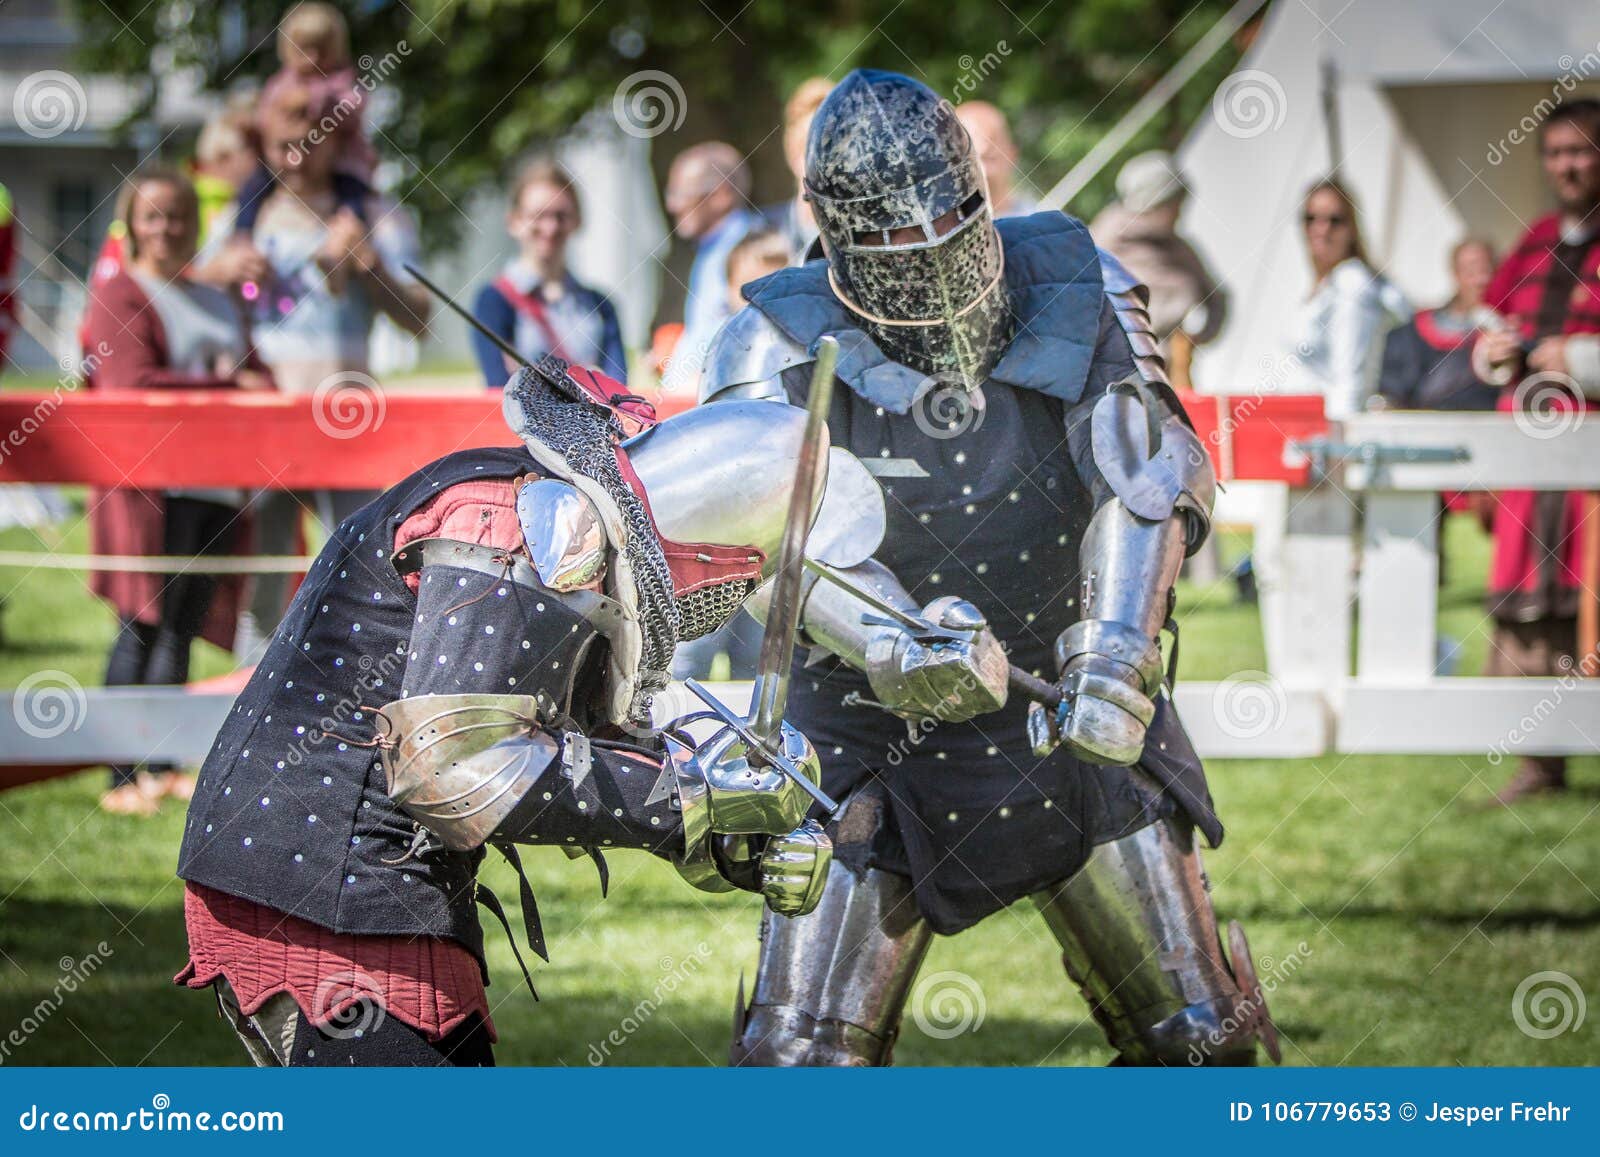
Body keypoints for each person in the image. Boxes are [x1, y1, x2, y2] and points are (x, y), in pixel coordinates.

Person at [704, 70, 1275, 1067]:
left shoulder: (1075, 284)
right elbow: (757, 534)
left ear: (977, 191)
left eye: (946, 220)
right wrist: (888, 636)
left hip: (1068, 696)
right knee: (802, 1061)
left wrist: (1119, 648)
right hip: (865, 726)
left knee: (1197, 1045)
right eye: (886, 238)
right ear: (831, 227)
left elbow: (1148, 469)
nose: (922, 259)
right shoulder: (768, 344)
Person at [173, 355, 897, 1065]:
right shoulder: (533, 515)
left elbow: (570, 739)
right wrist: (693, 794)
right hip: (323, 877)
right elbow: (452, 767)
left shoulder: (567, 520)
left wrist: (743, 834)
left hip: (379, 878)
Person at [200, 82, 430, 647]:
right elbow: (184, 293)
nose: (295, 158)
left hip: (349, 415)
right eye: (282, 146)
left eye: (310, 142)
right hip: (270, 417)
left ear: (336, 143)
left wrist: (371, 268)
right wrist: (219, 272)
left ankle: (358, 663)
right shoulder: (240, 219)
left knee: (360, 554)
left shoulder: (373, 215)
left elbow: (419, 317)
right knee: (267, 560)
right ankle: (253, 675)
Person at [79, 168, 274, 816]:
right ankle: (119, 773)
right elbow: (130, 384)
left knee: (183, 622)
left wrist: (240, 387)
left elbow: (258, 374)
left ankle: (161, 762)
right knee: (140, 621)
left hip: (214, 486)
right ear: (132, 223)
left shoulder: (219, 297)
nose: (166, 229)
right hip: (149, 487)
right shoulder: (120, 294)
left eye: (178, 216)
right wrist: (224, 389)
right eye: (152, 216)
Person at [1473, 98, 1600, 803]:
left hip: (1593, 461)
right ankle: (1540, 761)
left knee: (1591, 600)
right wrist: (1496, 351)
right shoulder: (1536, 241)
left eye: (1581, 151)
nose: (1567, 166)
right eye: (1555, 153)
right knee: (1531, 604)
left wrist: (1577, 357)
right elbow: (1490, 319)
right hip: (1531, 456)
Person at [470, 160, 626, 387]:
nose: (550, 228)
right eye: (538, 216)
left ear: (576, 220)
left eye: (560, 216)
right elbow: (499, 391)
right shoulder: (494, 301)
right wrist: (589, 379)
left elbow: (618, 392)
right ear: (514, 222)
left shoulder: (600, 305)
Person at [233, 3, 375, 235]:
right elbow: (267, 116)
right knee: (252, 188)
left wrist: (315, 99)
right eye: (304, 50)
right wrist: (253, 126)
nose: (313, 58)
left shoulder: (340, 81)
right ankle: (241, 235)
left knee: (353, 196)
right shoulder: (281, 83)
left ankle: (353, 236)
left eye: (322, 49)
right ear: (288, 51)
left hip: (343, 165)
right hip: (275, 173)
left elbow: (354, 107)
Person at [1280, 178, 1410, 420]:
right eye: (1311, 218)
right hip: (1304, 430)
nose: (1322, 229)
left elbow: (1352, 378)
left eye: (1334, 220)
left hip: (1328, 436)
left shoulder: (1352, 282)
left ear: (1351, 228)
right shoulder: (1325, 283)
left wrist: (1338, 452)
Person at [1090, 150, 1229, 368]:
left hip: (1170, 370)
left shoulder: (1179, 249)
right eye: (1175, 203)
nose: (1179, 212)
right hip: (1113, 369)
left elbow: (1218, 298)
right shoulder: (1105, 238)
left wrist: (1197, 339)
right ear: (1158, 201)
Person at [660, 142, 760, 390]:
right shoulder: (713, 250)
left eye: (681, 193)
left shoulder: (752, 253)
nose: (672, 205)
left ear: (721, 195)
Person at [1377, 239, 1499, 412]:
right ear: (1456, 275)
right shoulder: (1411, 335)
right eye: (1471, 271)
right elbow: (1391, 396)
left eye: (1488, 270)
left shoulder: (1511, 334)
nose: (1481, 280)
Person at [760, 78, 833, 260]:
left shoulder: (863, 232)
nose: (819, 162)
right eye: (807, 149)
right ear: (792, 154)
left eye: (830, 149)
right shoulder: (763, 231)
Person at [954, 100, 1036, 218]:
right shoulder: (935, 230)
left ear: (1012, 154)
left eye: (990, 158)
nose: (983, 171)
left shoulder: (1044, 226)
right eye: (971, 160)